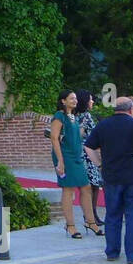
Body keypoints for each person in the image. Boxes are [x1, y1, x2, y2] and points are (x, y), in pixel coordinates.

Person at [83, 97, 133, 264]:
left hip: (111, 177)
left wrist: (99, 164)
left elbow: (88, 146)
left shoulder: (103, 125)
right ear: (131, 109)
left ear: (115, 109)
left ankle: (112, 252)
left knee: (113, 215)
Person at [50, 89, 94, 238]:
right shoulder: (59, 116)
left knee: (86, 187)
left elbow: (76, 135)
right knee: (68, 190)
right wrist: (60, 161)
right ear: (63, 101)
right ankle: (70, 225)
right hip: (65, 156)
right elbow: (54, 138)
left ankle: (90, 222)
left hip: (77, 156)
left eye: (75, 99)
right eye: (71, 98)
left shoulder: (74, 117)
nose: (75, 101)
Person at [74, 90, 104, 235]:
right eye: (90, 100)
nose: (92, 102)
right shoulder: (85, 116)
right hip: (87, 154)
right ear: (85, 101)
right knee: (93, 185)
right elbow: (92, 135)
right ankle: (91, 216)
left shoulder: (75, 115)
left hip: (81, 154)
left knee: (90, 186)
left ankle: (91, 215)